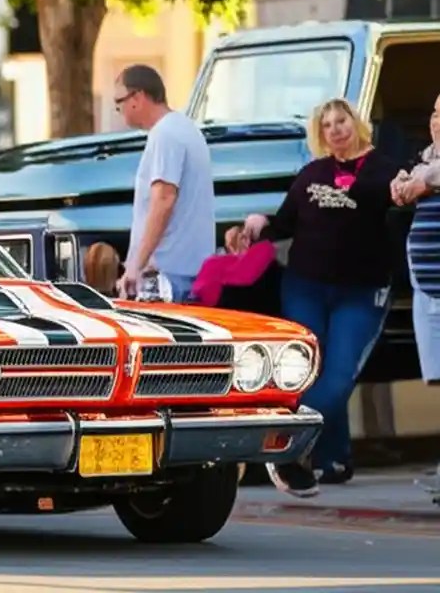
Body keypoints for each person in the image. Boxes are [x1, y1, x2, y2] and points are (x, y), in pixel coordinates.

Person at [242, 97, 398, 497]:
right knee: (308, 370)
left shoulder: (384, 170)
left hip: (361, 291)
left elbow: (403, 214)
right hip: (305, 286)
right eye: (326, 124)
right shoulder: (312, 173)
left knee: (338, 375)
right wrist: (257, 225)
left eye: (341, 120)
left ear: (355, 122)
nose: (335, 129)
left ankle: (288, 450)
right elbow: (283, 224)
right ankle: (333, 459)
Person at [114, 64, 215, 302]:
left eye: (119, 102)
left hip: (168, 278)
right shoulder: (184, 128)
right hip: (188, 274)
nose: (119, 110)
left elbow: (164, 200)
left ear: (137, 97)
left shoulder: (165, 134)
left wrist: (135, 266)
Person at [387, 91, 440, 502]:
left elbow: (427, 178)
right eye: (436, 114)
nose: (437, 121)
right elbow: (411, 181)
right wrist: (408, 181)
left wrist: (419, 181)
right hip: (427, 290)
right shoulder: (425, 161)